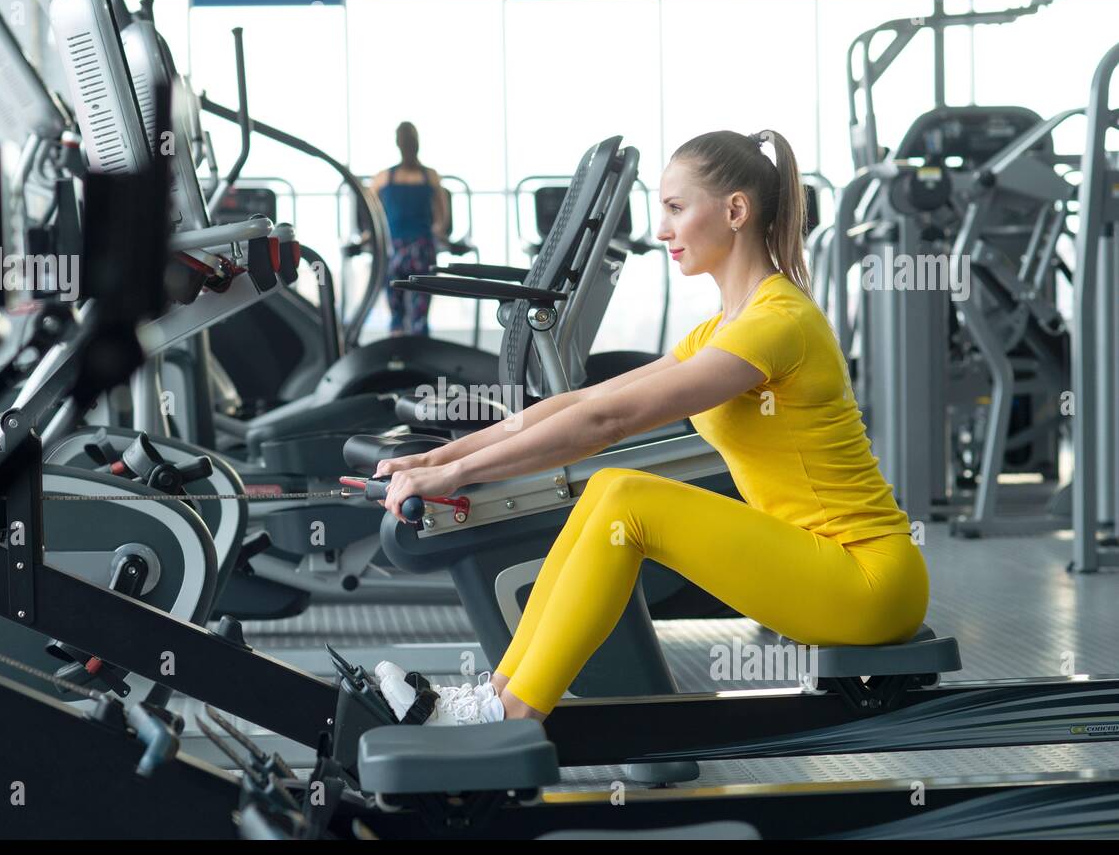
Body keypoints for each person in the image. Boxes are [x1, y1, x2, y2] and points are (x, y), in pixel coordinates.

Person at [369, 129, 930, 726]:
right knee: (611, 488)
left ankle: (508, 714)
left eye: (676, 208)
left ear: (735, 210)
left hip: (864, 580)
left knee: (627, 500)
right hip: (826, 567)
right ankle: (497, 695)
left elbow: (608, 421)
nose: (661, 230)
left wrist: (456, 472)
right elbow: (581, 402)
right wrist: (436, 461)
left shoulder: (776, 323)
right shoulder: (722, 328)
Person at [370, 122, 448, 336]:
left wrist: (369, 235)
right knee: (419, 314)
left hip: (397, 249)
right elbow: (442, 218)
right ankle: (416, 352)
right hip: (421, 248)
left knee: (398, 314)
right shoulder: (430, 175)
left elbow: (369, 210)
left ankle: (399, 351)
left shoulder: (383, 177)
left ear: (398, 143)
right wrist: (439, 233)